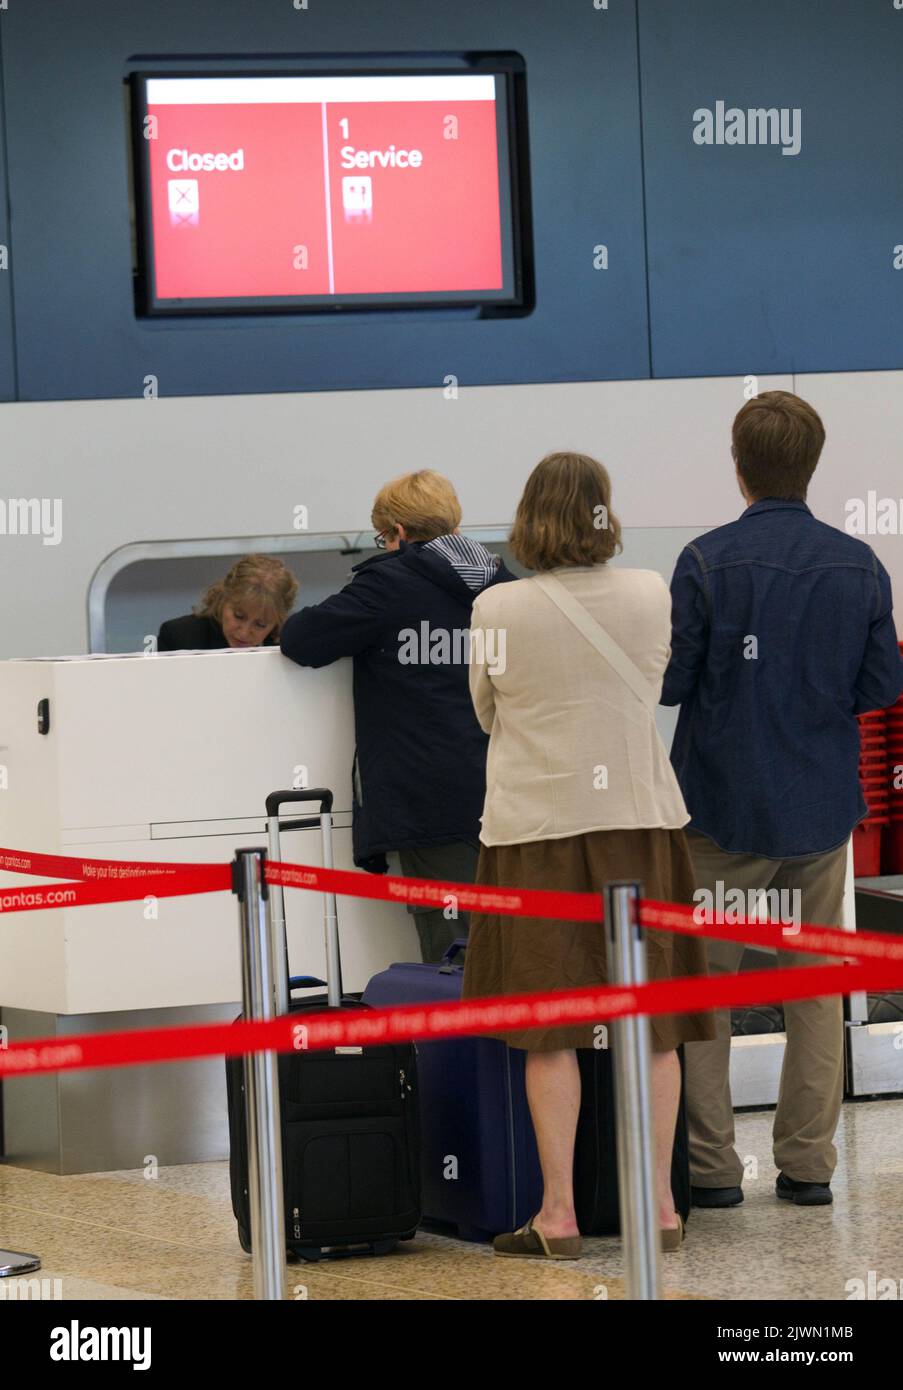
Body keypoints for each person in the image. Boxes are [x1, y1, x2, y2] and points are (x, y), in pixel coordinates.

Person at [461, 451, 715, 1259]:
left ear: (529, 518)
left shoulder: (496, 607)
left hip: (534, 829)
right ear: (603, 514)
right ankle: (660, 1206)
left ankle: (560, 1215)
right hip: (640, 820)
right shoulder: (648, 592)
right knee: (655, 1023)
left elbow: (484, 711)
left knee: (549, 1029)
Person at [662, 390, 903, 1209]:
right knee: (816, 988)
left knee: (705, 997)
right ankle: (807, 1166)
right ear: (813, 464)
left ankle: (711, 1170)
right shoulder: (858, 564)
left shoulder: (702, 562)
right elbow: (879, 685)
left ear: (738, 467)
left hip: (719, 812)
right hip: (818, 813)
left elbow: (670, 679)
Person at [280, 470, 514, 963]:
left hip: (428, 798)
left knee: (454, 957)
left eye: (384, 536)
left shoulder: (388, 585)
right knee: (515, 942)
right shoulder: (504, 585)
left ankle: (463, 1044)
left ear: (399, 533)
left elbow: (301, 639)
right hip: (509, 792)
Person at [157, 555, 298, 651]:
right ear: (223, 599)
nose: (244, 632)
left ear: (278, 622)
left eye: (260, 624)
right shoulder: (179, 638)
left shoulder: (288, 648)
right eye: (238, 616)